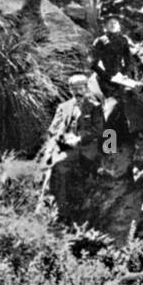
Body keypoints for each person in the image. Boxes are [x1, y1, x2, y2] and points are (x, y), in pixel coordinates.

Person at [41, 74, 106, 219]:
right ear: (70, 90)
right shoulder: (63, 107)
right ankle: (47, 206)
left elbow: (99, 130)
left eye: (80, 88)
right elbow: (54, 129)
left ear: (86, 88)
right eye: (74, 89)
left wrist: (79, 139)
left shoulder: (95, 107)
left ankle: (58, 209)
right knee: (48, 165)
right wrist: (61, 139)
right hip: (66, 145)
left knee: (59, 165)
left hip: (85, 146)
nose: (78, 92)